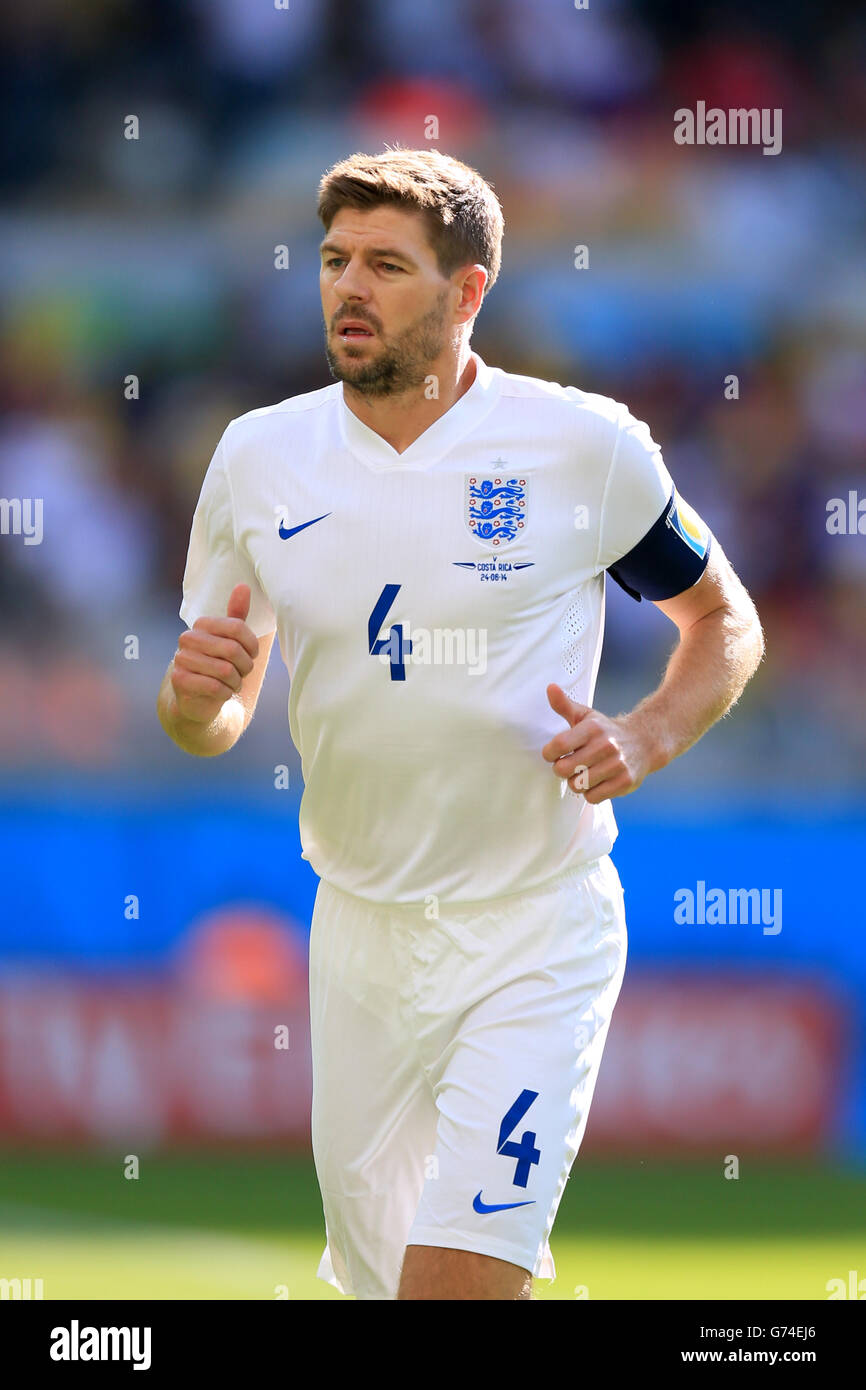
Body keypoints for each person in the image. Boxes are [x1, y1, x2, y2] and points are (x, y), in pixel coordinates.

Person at [157, 147, 764, 1301]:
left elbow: (722, 623)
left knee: (456, 1284)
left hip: (531, 928)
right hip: (358, 932)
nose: (349, 287)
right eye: (335, 261)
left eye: (387, 264)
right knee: (387, 1288)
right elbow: (214, 710)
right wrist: (196, 702)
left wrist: (644, 735)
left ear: (467, 289)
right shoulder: (259, 457)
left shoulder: (579, 447)